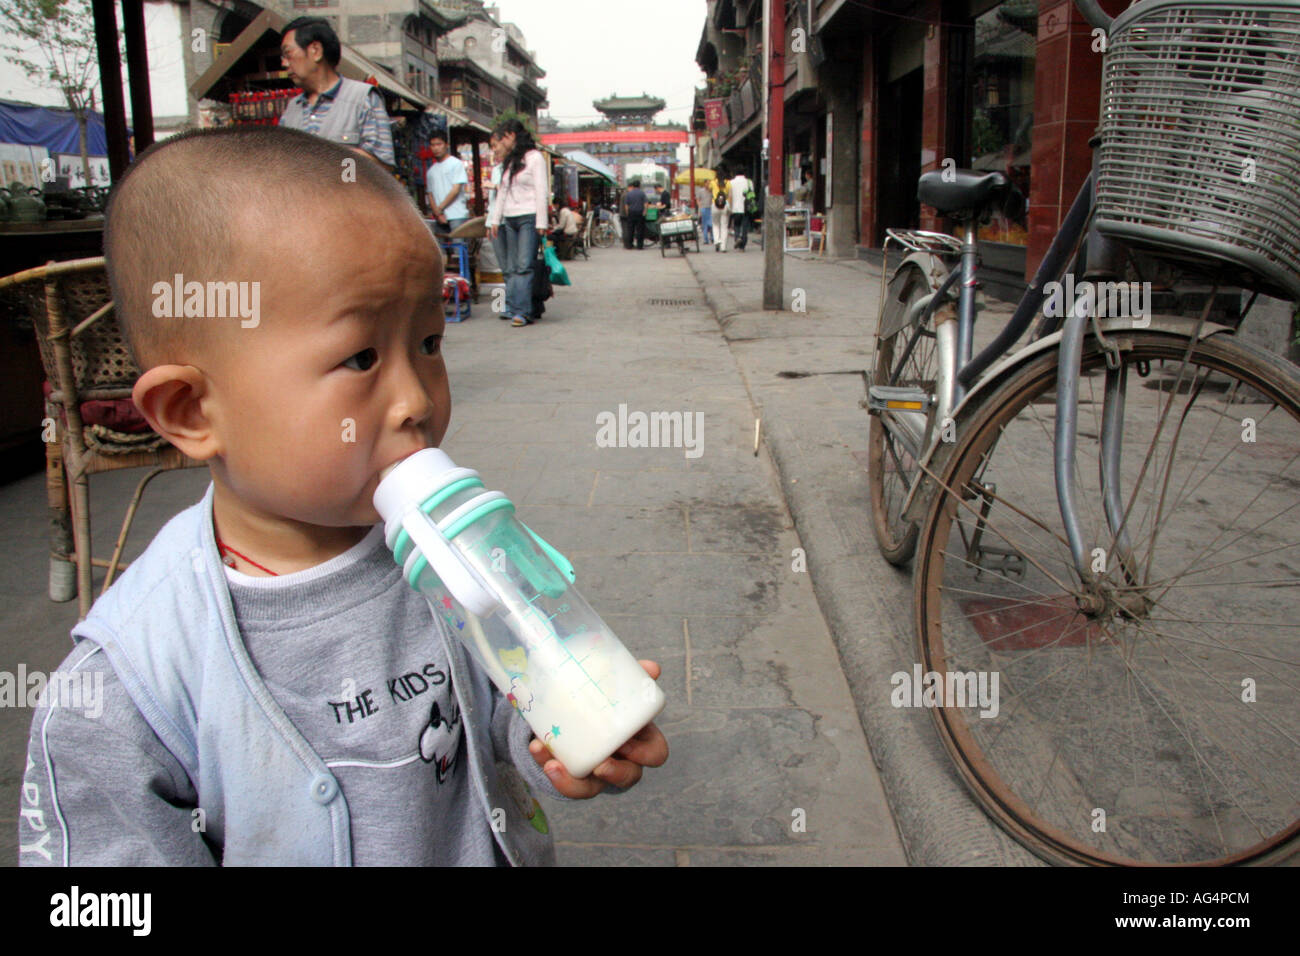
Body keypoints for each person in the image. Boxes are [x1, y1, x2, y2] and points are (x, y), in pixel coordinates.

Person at [18, 126, 667, 867]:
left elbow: (499, 701)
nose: (412, 400)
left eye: (428, 344)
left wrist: (562, 730)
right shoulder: (129, 680)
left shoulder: (454, 562)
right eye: (360, 357)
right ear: (194, 413)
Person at [277, 17, 395, 170]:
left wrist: (332, 162)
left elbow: (382, 168)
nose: (284, 63)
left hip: (348, 193)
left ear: (316, 51)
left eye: (288, 53)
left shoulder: (362, 99)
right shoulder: (292, 110)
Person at [486, 117, 550, 326]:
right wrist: (496, 220)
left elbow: (541, 191)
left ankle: (522, 311)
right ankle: (514, 306)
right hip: (510, 218)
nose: (500, 144)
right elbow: (503, 191)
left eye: (501, 139)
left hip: (529, 218)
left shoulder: (535, 158)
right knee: (512, 266)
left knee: (524, 265)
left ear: (511, 136)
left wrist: (542, 223)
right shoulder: (512, 160)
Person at [426, 131, 470, 234]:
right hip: (439, 217)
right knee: (441, 249)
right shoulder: (431, 171)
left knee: (458, 247)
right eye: (433, 145)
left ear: (446, 145)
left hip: (457, 215)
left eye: (439, 144)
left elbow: (455, 190)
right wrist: (437, 213)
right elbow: (430, 194)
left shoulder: (455, 164)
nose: (436, 148)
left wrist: (439, 209)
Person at [729, 169, 752, 252]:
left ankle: (737, 237)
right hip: (746, 207)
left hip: (735, 208)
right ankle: (742, 246)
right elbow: (752, 193)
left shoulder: (731, 182)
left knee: (737, 225)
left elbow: (730, 195)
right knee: (745, 226)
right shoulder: (748, 182)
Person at [621, 179, 646, 250]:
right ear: (639, 185)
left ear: (633, 186)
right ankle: (639, 246)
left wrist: (628, 213)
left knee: (630, 230)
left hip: (631, 213)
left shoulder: (628, 194)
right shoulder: (642, 193)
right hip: (639, 213)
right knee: (640, 230)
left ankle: (629, 245)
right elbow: (646, 204)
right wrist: (645, 212)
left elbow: (626, 205)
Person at [714, 168, 731, 253]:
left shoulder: (713, 182)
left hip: (714, 205)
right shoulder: (728, 183)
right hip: (724, 205)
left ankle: (717, 241)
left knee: (715, 225)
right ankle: (723, 247)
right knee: (724, 226)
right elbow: (729, 195)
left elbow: (710, 190)